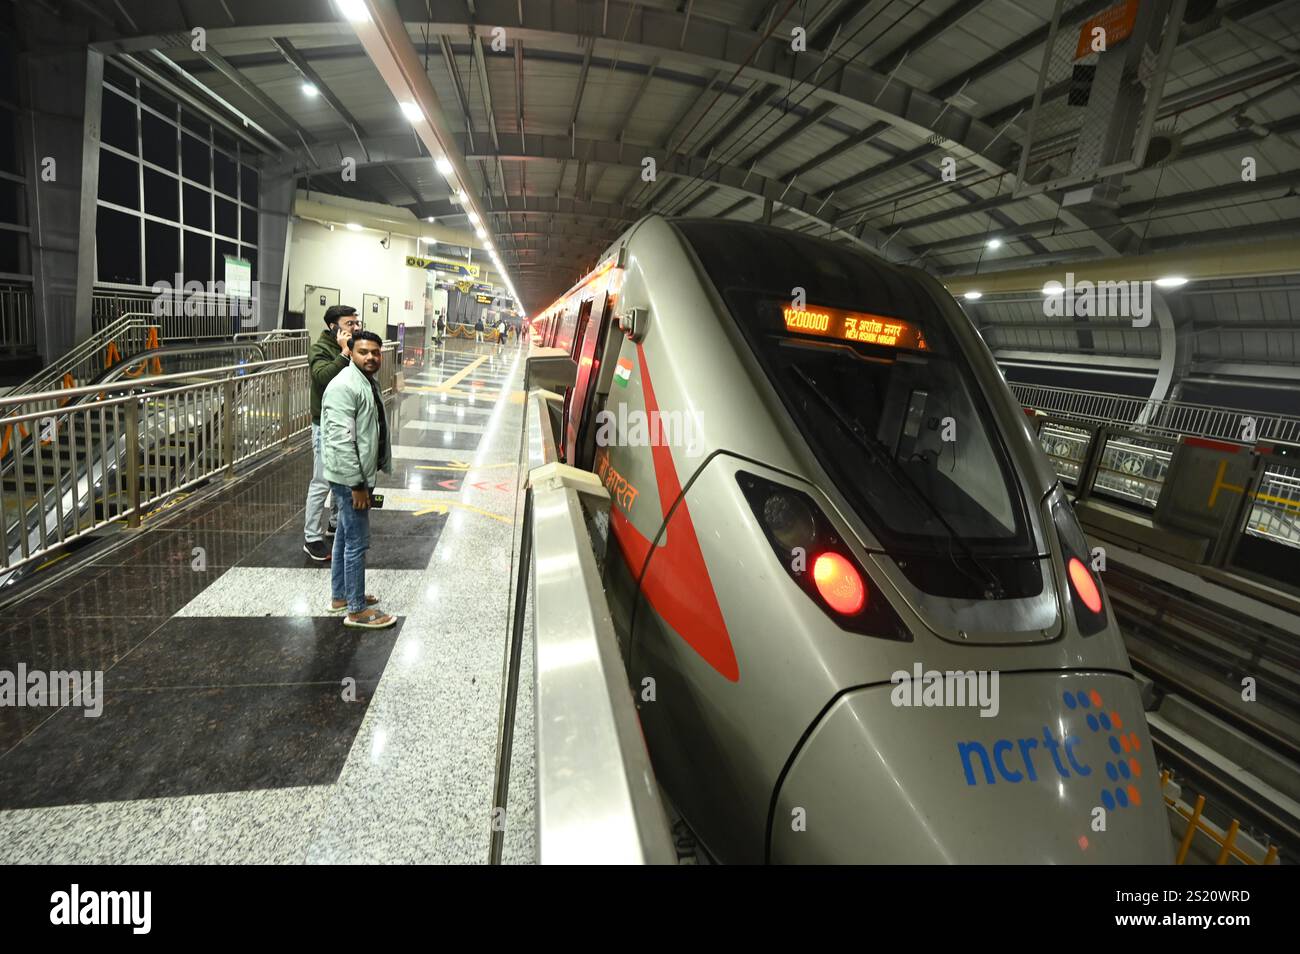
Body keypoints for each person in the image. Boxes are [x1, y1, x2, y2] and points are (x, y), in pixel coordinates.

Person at [321, 330, 396, 629]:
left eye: (375, 353)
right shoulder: (345, 386)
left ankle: (341, 596)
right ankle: (356, 610)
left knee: (343, 536)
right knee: (356, 542)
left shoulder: (365, 381)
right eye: (364, 352)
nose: (371, 357)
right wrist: (357, 485)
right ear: (350, 352)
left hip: (355, 474)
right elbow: (341, 441)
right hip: (350, 478)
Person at [304, 304, 362, 561]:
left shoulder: (351, 346)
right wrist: (343, 353)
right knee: (322, 481)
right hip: (326, 424)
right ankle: (311, 537)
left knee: (343, 476)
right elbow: (322, 377)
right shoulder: (320, 349)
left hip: (347, 421)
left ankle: (335, 523)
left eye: (356, 323)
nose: (356, 327)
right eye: (350, 323)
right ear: (333, 327)